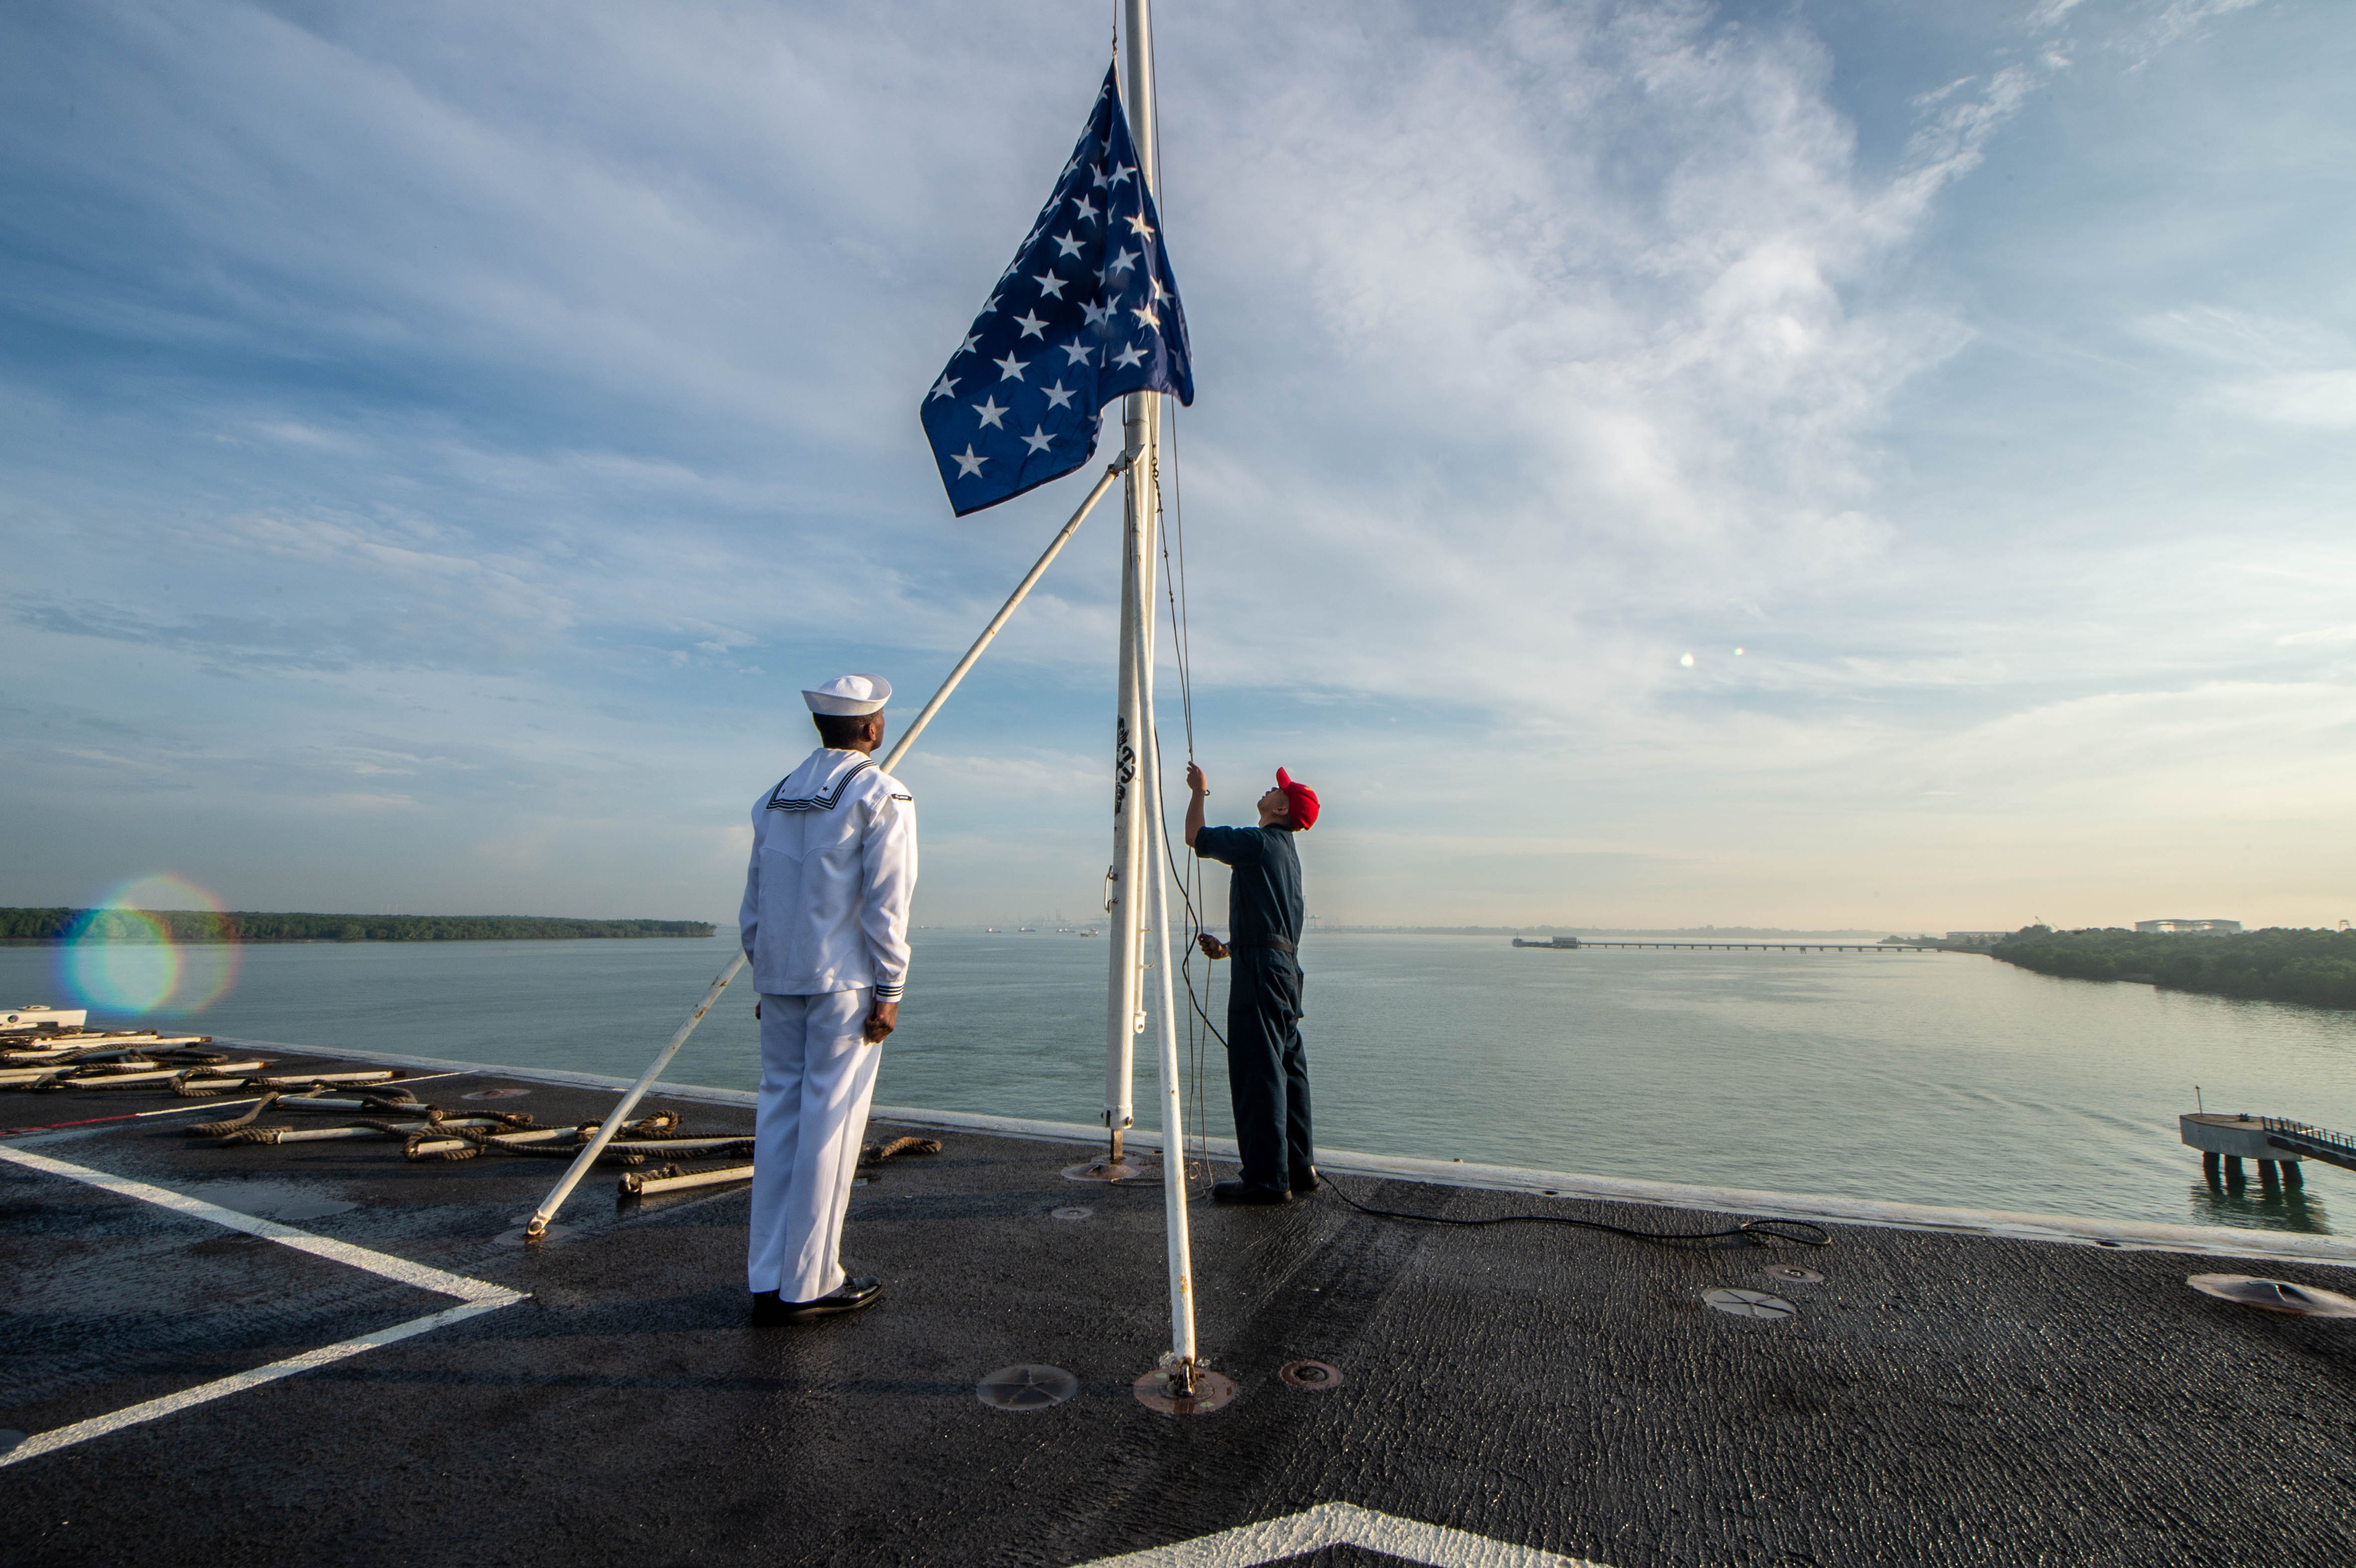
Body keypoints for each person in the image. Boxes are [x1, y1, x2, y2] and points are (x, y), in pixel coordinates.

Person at [738, 673, 917, 1324]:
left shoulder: (776, 798)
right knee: (830, 1128)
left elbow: (755, 903)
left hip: (781, 979)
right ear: (871, 727)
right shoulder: (880, 792)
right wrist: (890, 986)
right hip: (843, 983)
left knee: (778, 1123)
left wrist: (767, 973)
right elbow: (886, 900)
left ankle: (768, 1274)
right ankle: (810, 1280)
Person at [1184, 762, 1321, 1205]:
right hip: (1284, 970)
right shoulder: (1288, 856)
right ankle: (1300, 1168)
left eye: (1276, 790)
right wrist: (1230, 949)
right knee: (1287, 1067)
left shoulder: (1259, 842)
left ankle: (1266, 1179)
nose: (1269, 789)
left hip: (1262, 973)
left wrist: (1199, 793)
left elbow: (1197, 839)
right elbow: (1274, 926)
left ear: (1280, 808)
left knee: (1258, 1071)